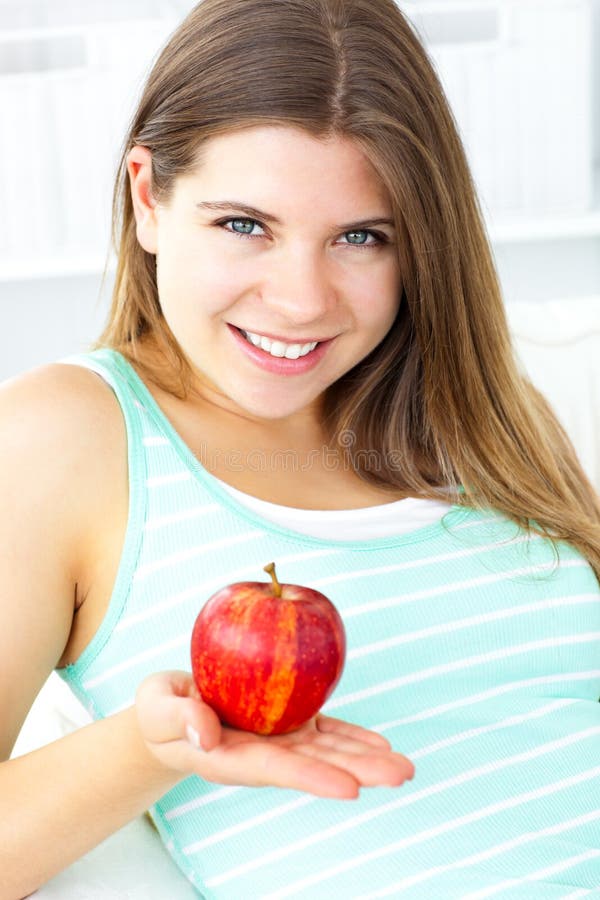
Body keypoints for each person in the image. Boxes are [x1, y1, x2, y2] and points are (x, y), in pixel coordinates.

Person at [2, 0, 599, 896]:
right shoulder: (64, 438)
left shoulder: (486, 417)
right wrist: (152, 746)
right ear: (148, 197)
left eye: (360, 237)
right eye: (245, 224)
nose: (299, 301)